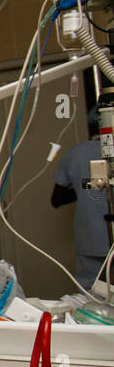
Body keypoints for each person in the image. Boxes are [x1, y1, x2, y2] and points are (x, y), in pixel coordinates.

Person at [51, 106, 112, 289]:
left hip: (90, 237)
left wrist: (85, 186)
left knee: (90, 296)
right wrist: (98, 184)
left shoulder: (76, 154)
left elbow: (57, 199)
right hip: (98, 237)